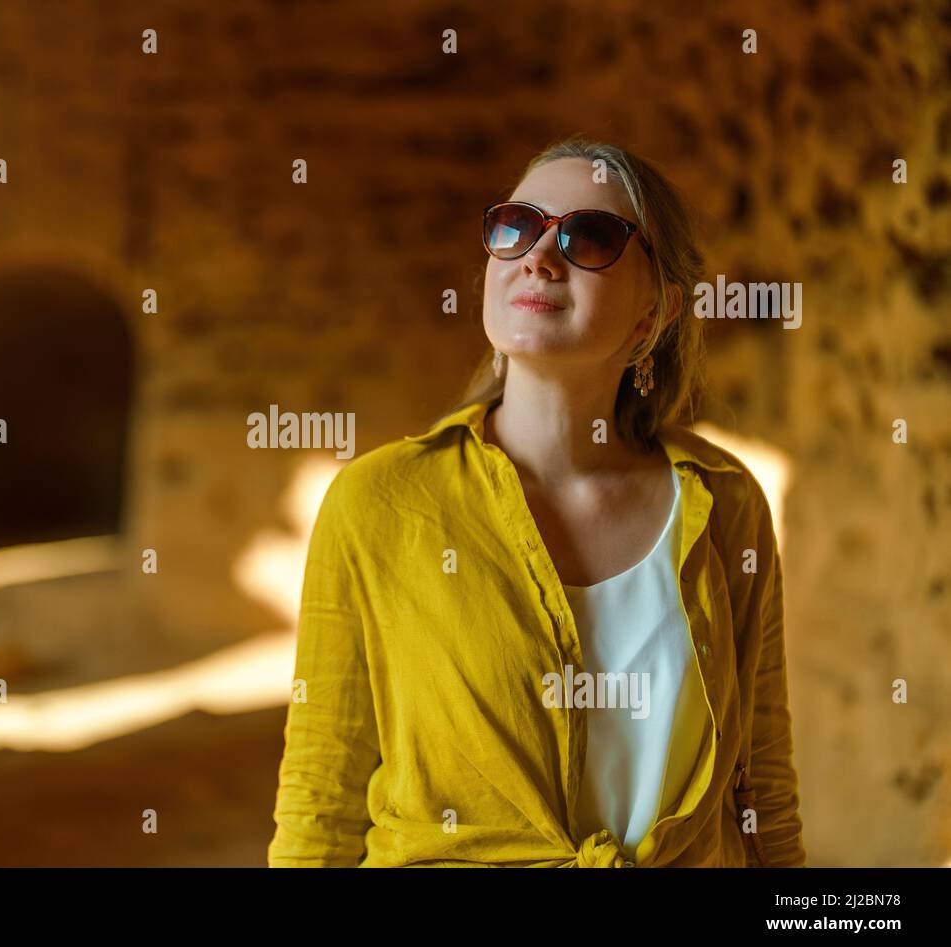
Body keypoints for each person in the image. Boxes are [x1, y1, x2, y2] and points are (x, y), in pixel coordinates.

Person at [267, 136, 807, 867]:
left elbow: (761, 788)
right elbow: (320, 805)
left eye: (591, 237)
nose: (540, 257)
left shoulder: (725, 502)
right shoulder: (379, 503)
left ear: (654, 311)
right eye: (516, 226)